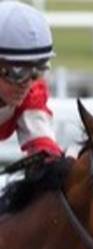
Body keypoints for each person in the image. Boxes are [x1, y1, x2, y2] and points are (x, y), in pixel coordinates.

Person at [0, 1, 61, 159]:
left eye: (36, 71)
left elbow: (44, 151)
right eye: (17, 72)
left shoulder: (32, 94)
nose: (25, 84)